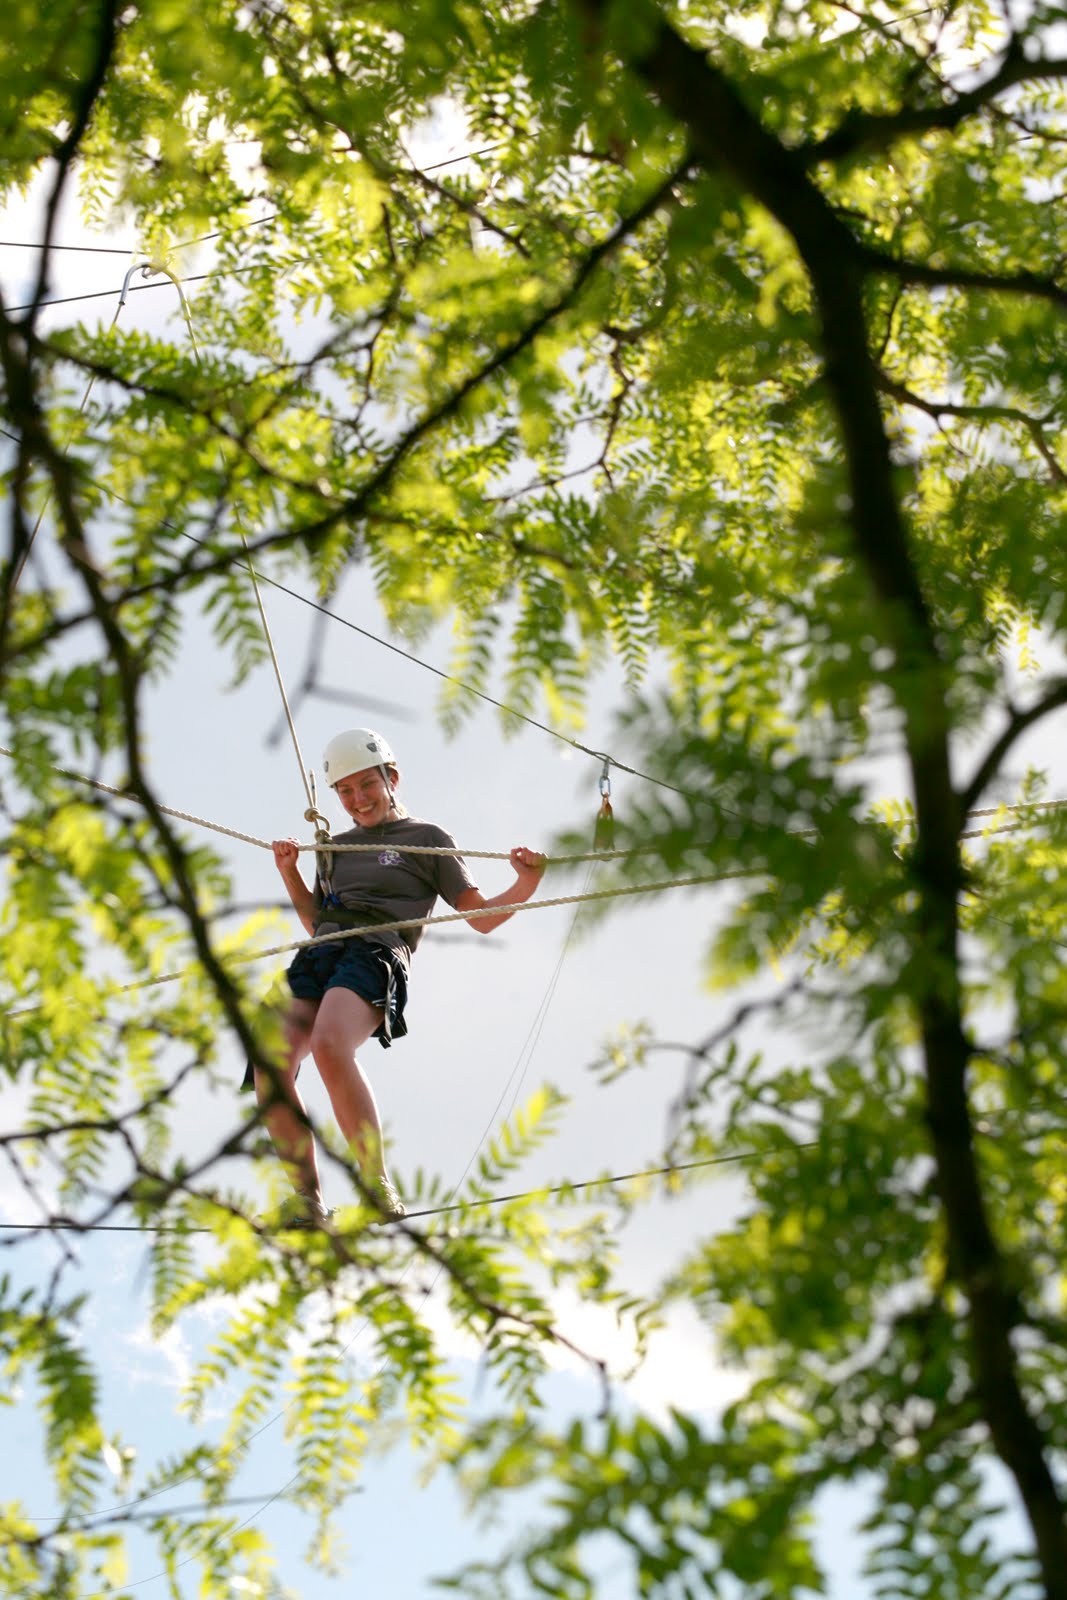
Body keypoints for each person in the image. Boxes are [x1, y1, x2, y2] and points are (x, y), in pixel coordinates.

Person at [252, 728, 546, 1228]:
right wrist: (289, 872)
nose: (358, 799)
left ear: (392, 778)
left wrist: (527, 882)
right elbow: (316, 921)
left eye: (367, 785)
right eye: (346, 791)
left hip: (375, 952)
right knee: (270, 1059)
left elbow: (479, 917)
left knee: (328, 1045)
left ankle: (375, 1184)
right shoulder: (335, 847)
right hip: (322, 952)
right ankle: (306, 1199)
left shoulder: (426, 840)